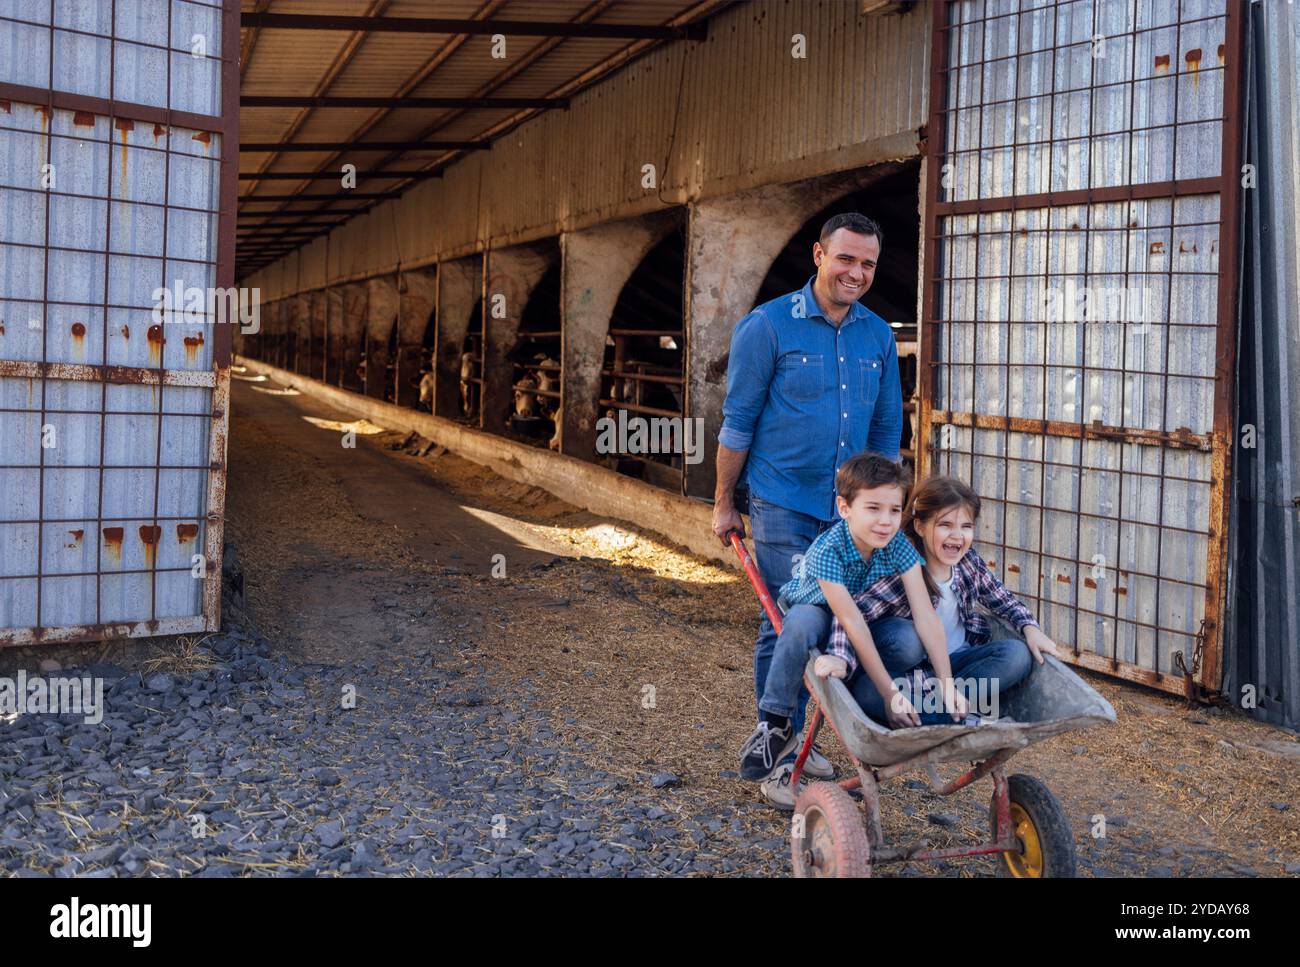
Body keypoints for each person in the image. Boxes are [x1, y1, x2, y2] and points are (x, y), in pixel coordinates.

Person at [712, 212, 902, 806]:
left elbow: (886, 425)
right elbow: (738, 422)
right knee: (789, 622)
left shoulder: (878, 334)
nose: (857, 272)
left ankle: (804, 738)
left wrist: (881, 507)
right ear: (818, 255)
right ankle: (779, 752)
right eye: (846, 259)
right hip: (783, 501)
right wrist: (723, 503)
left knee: (844, 623)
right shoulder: (767, 327)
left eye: (868, 263)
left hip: (850, 512)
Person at [737, 454, 960, 808]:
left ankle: (859, 685)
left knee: (907, 639)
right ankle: (777, 724)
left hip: (861, 617)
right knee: (800, 624)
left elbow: (925, 615)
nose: (885, 521)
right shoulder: (829, 550)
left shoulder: (898, 546)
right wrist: (890, 693)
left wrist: (946, 684)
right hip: (817, 611)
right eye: (873, 508)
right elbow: (850, 621)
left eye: (894, 510)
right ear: (844, 508)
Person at [819, 476, 1060, 725]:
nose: (957, 536)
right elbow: (851, 614)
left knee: (1016, 655)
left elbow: (1004, 600)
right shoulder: (903, 570)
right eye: (945, 525)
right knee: (870, 691)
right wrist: (841, 657)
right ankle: (966, 720)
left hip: (956, 669)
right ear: (921, 526)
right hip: (908, 674)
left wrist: (1030, 628)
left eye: (966, 526)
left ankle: (946, 710)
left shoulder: (969, 564)